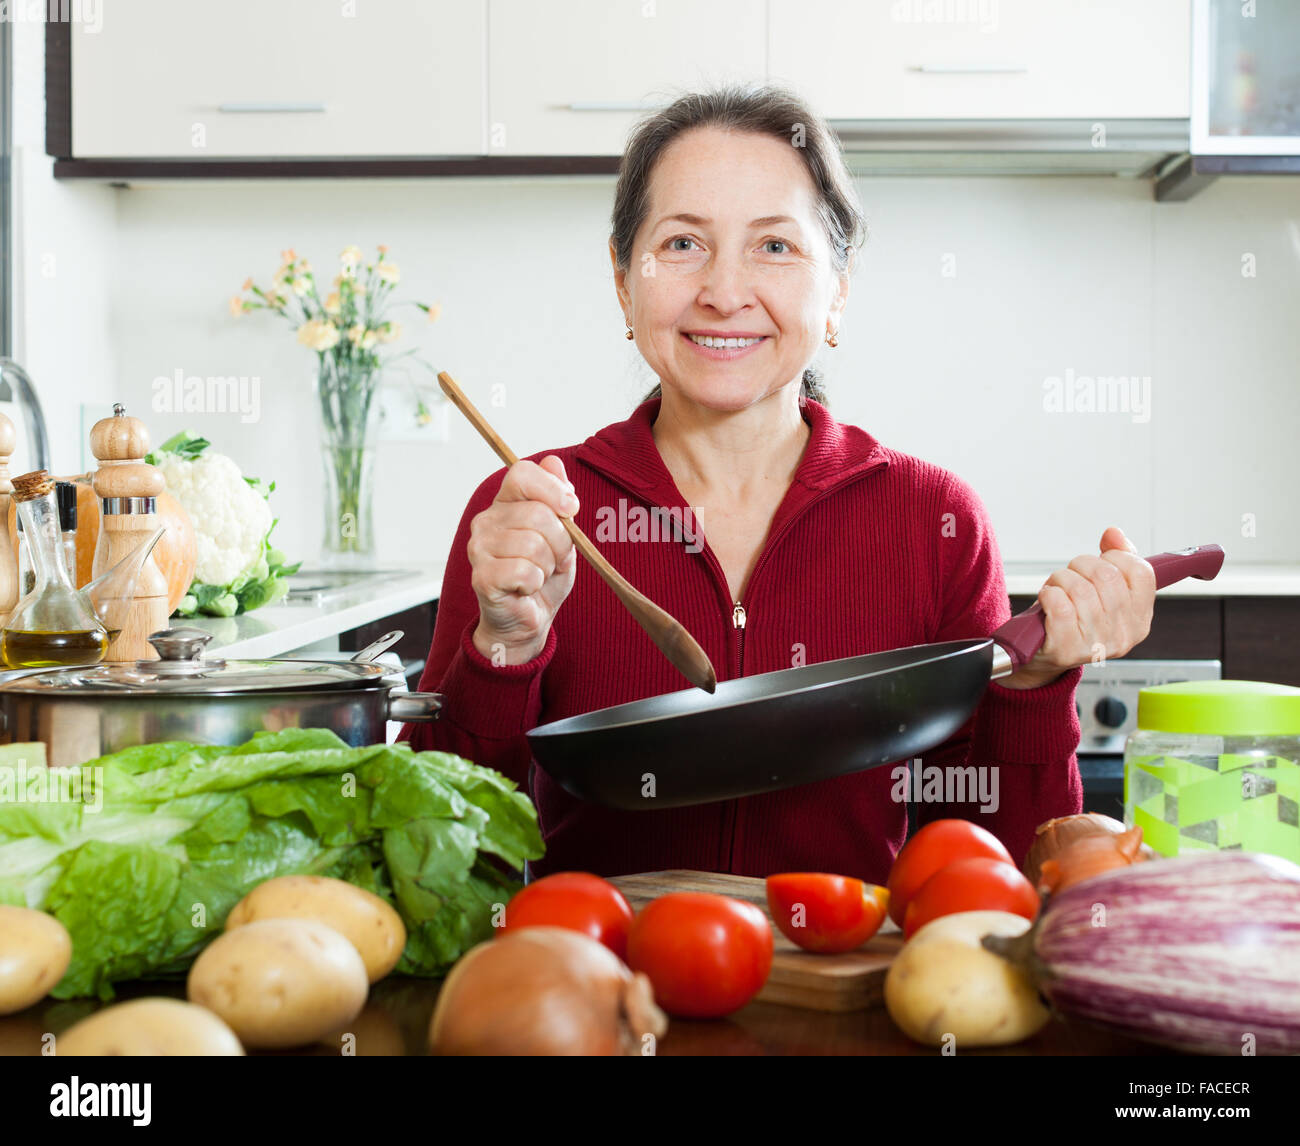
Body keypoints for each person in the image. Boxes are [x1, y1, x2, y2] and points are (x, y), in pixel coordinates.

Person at [400, 84, 1156, 882]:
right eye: (684, 244)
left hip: (855, 986)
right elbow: (439, 862)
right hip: (593, 979)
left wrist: (1033, 688)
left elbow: (995, 875)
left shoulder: (936, 520)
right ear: (624, 280)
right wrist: (503, 650)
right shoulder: (527, 515)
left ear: (838, 289)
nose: (725, 292)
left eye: (775, 247)